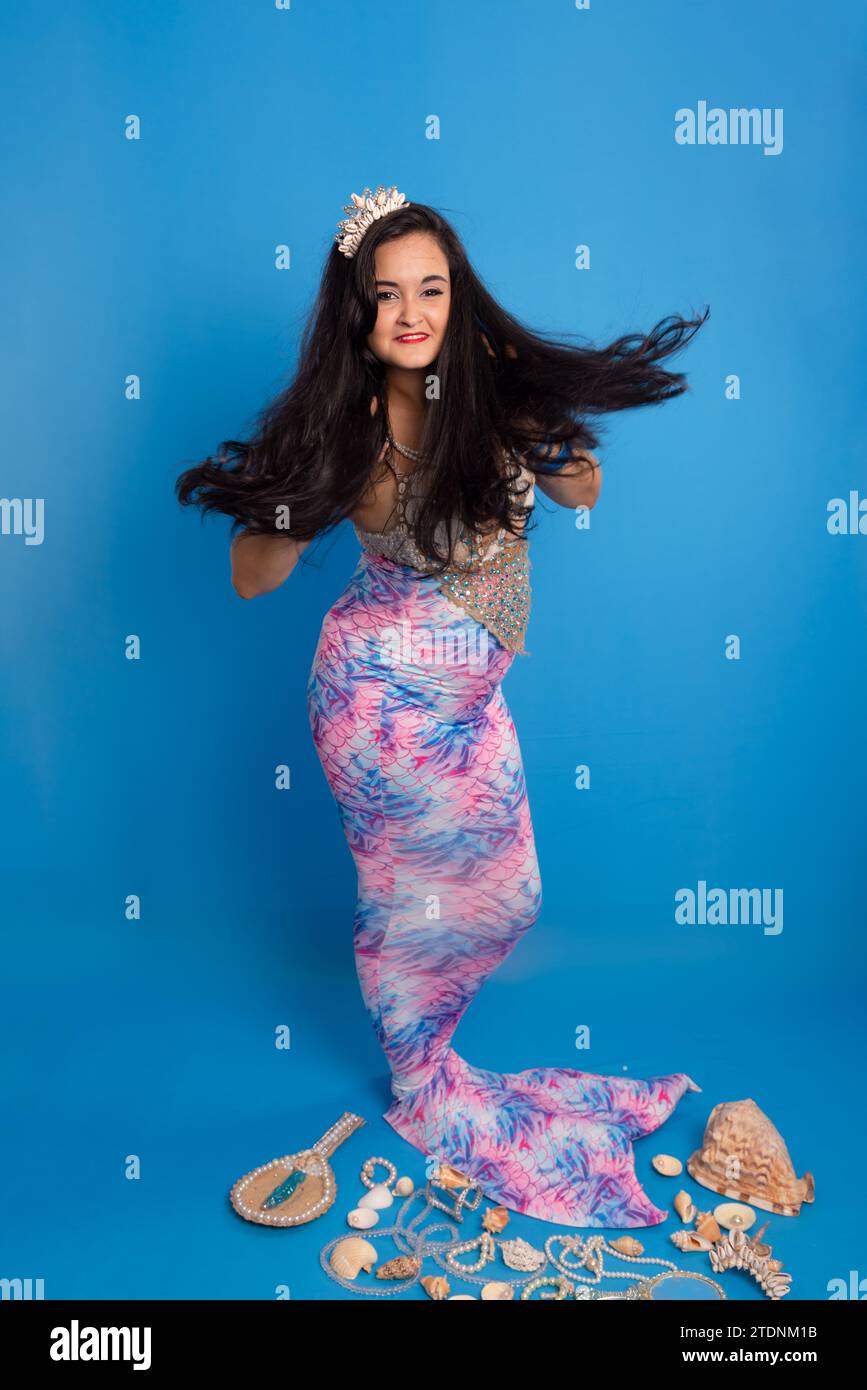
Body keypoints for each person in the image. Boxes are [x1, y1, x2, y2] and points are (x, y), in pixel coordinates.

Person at [176, 186, 708, 1226]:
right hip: (378, 703)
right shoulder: (350, 426)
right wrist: (300, 497)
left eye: (431, 289)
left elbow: (582, 493)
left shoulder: (494, 398)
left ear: (460, 298)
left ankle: (425, 1064)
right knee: (412, 900)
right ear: (357, 316)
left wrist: (547, 434)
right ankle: (421, 1081)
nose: (411, 312)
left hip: (469, 697)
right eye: (387, 296)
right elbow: (252, 573)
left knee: (507, 896)